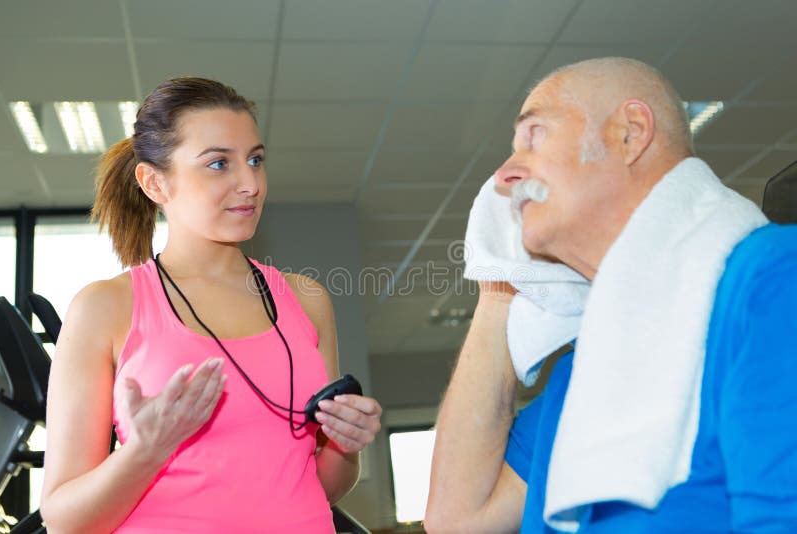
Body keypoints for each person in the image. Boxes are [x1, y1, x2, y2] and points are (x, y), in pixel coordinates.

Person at [426, 57, 797, 533]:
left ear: (630, 132)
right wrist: (499, 288)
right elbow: (456, 522)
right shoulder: (589, 372)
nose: (503, 176)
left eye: (534, 136)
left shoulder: (770, 280)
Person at [40, 77, 382, 533]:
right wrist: (146, 452)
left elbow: (318, 487)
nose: (250, 183)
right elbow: (64, 520)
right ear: (155, 183)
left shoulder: (306, 298)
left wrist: (346, 445)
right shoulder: (105, 308)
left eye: (255, 160)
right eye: (219, 163)